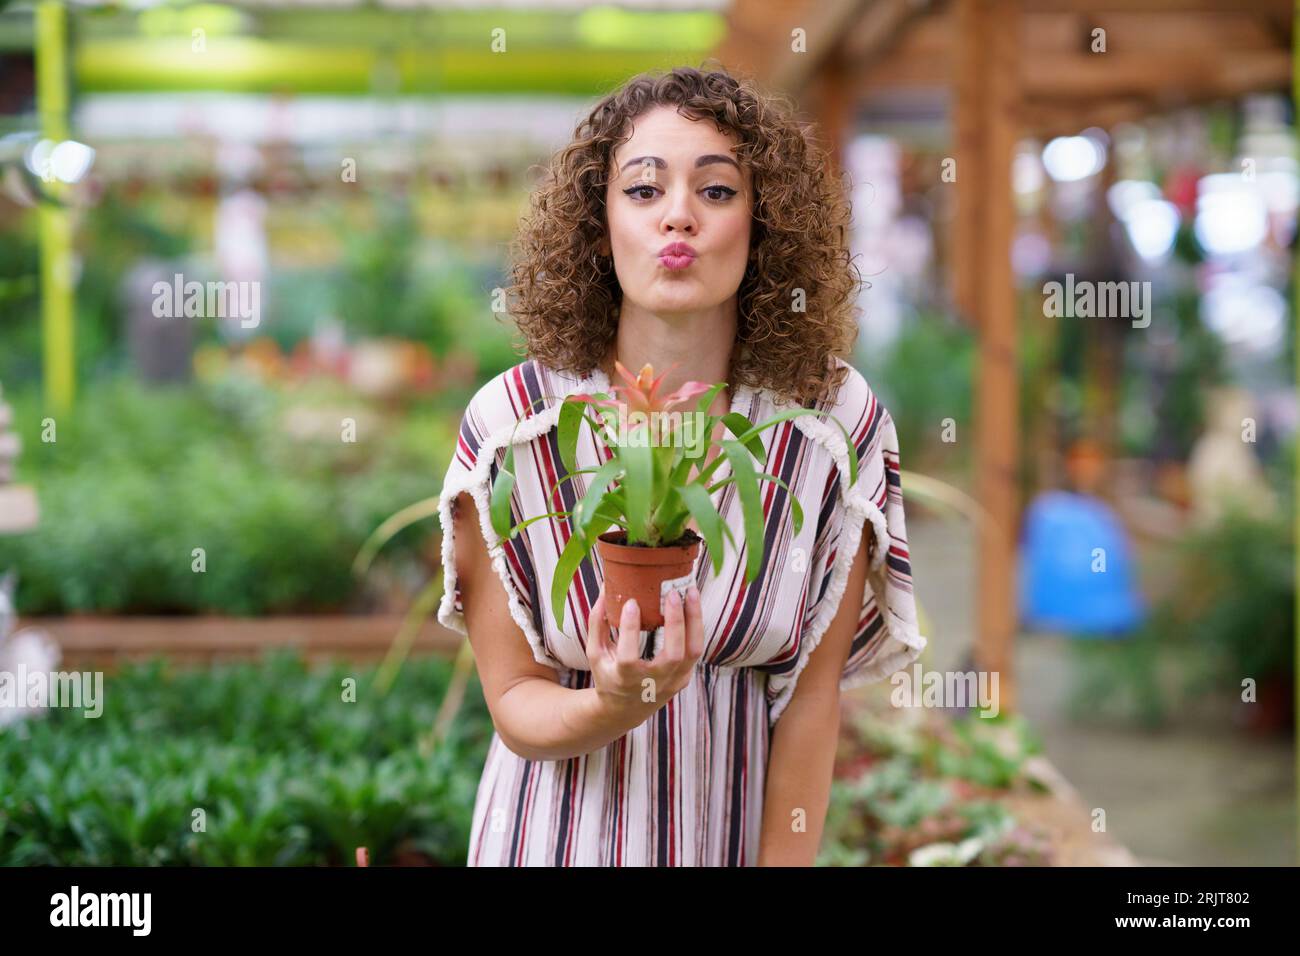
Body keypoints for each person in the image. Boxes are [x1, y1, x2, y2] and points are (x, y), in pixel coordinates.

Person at [437, 65, 926, 866]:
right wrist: (612, 703)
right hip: (552, 842)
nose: (678, 216)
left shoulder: (830, 427)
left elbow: (809, 708)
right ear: (598, 227)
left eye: (717, 191)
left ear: (763, 222)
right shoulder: (514, 427)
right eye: (642, 190)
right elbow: (516, 704)